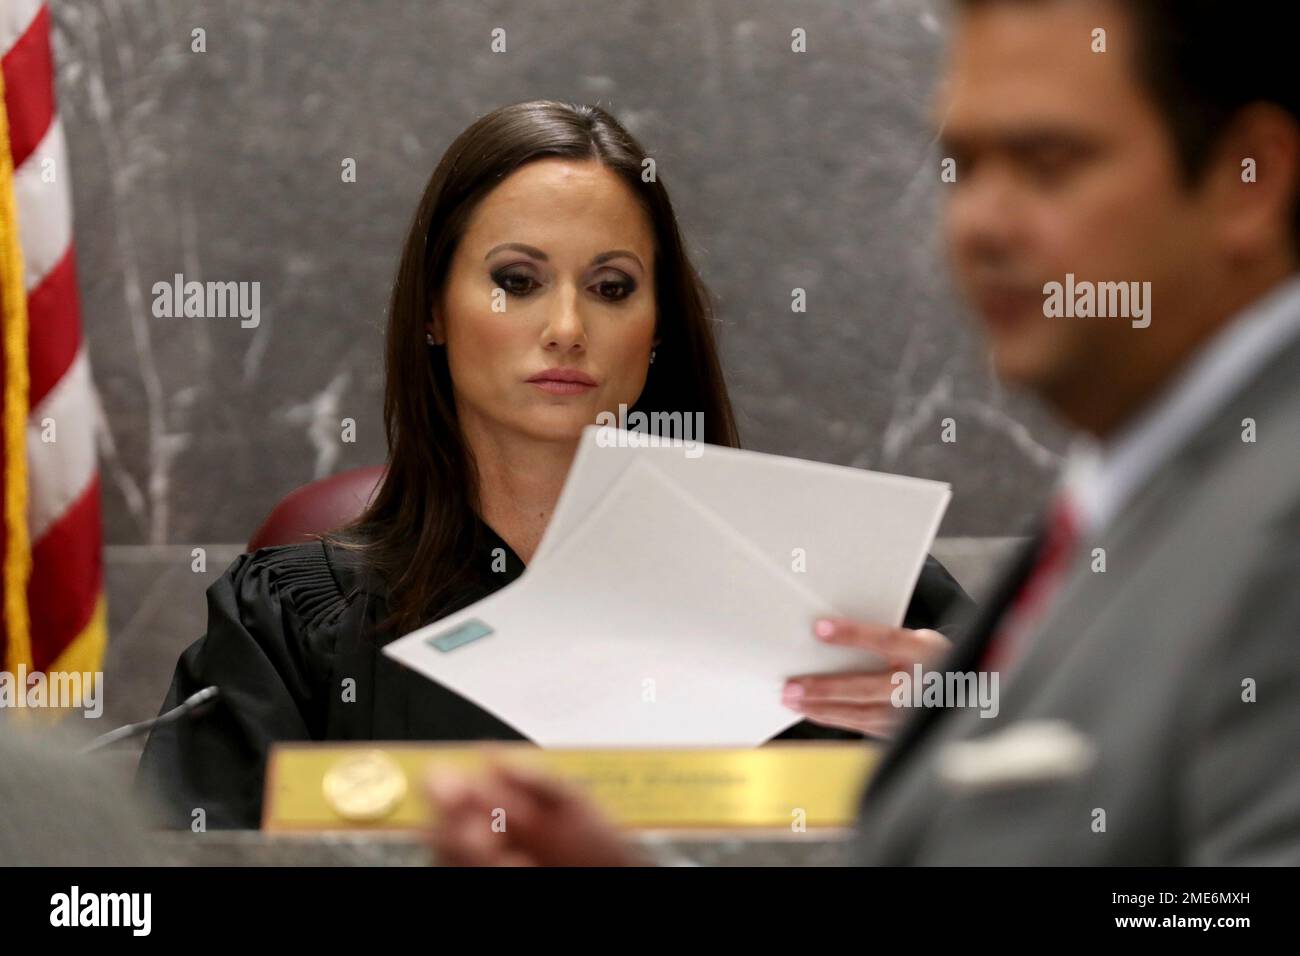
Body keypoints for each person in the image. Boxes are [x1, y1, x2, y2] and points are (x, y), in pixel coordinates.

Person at [427, 0, 1300, 866]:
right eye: (963, 164)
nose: (981, 224)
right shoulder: (1124, 506)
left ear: (1247, 177)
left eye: (1048, 161)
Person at [136, 100, 971, 831]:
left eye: (611, 287)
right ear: (433, 310)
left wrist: (971, 729)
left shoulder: (850, 599)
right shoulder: (286, 623)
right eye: (517, 280)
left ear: (657, 330)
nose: (567, 325)